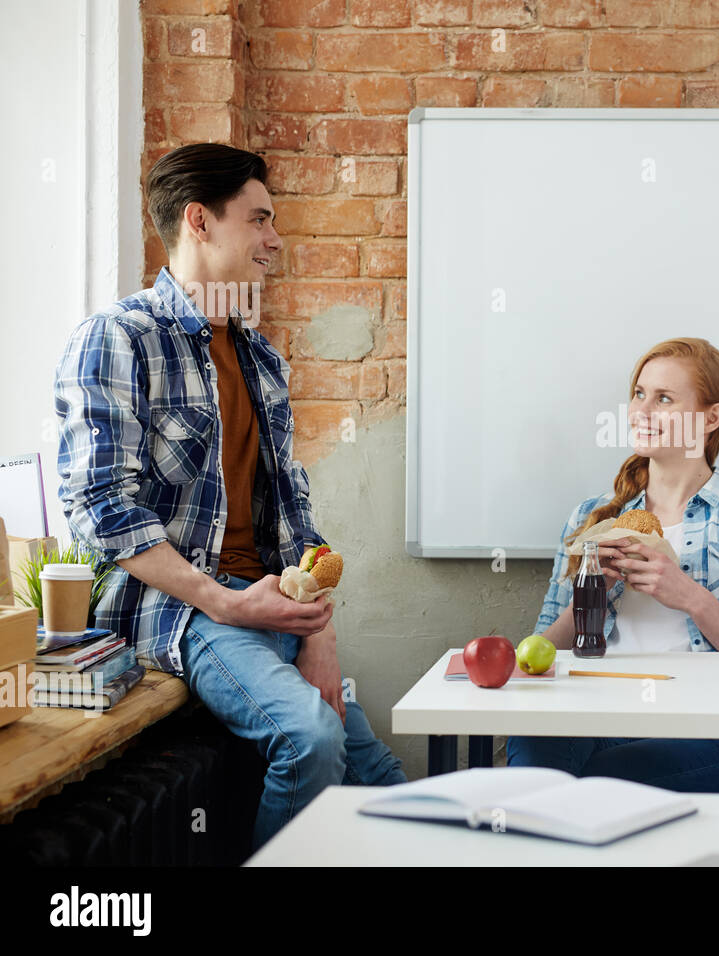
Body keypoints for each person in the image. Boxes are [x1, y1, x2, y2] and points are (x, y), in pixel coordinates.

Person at [54, 143, 405, 850]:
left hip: (271, 601)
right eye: (260, 219)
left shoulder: (261, 357)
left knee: (382, 777)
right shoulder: (118, 337)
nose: (275, 240)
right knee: (309, 738)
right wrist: (224, 601)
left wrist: (320, 632)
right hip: (185, 611)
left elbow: (296, 517)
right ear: (199, 222)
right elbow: (100, 508)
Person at [507, 338, 719, 792]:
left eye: (664, 398)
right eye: (639, 394)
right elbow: (542, 654)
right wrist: (593, 593)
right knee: (532, 760)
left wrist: (693, 599)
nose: (642, 411)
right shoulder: (593, 515)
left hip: (703, 729)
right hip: (591, 715)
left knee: (593, 787)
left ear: (711, 418)